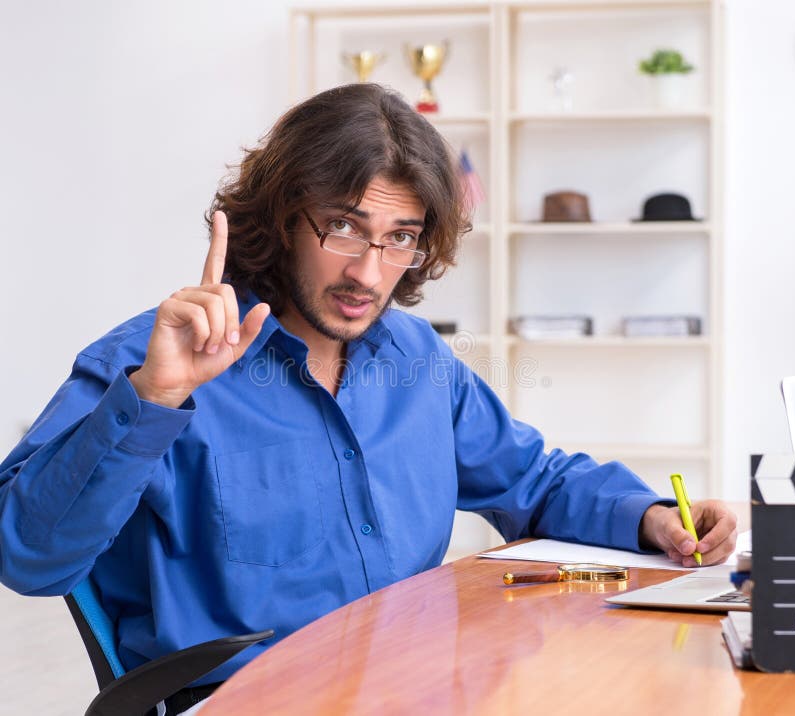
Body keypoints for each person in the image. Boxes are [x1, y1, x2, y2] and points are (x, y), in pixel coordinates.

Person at [0, 83, 737, 712]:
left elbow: (533, 480)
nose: (368, 272)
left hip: (413, 685)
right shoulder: (151, 362)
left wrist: (650, 517)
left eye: (399, 237)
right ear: (282, 217)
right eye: (344, 227)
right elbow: (27, 557)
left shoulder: (415, 358)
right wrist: (154, 398)